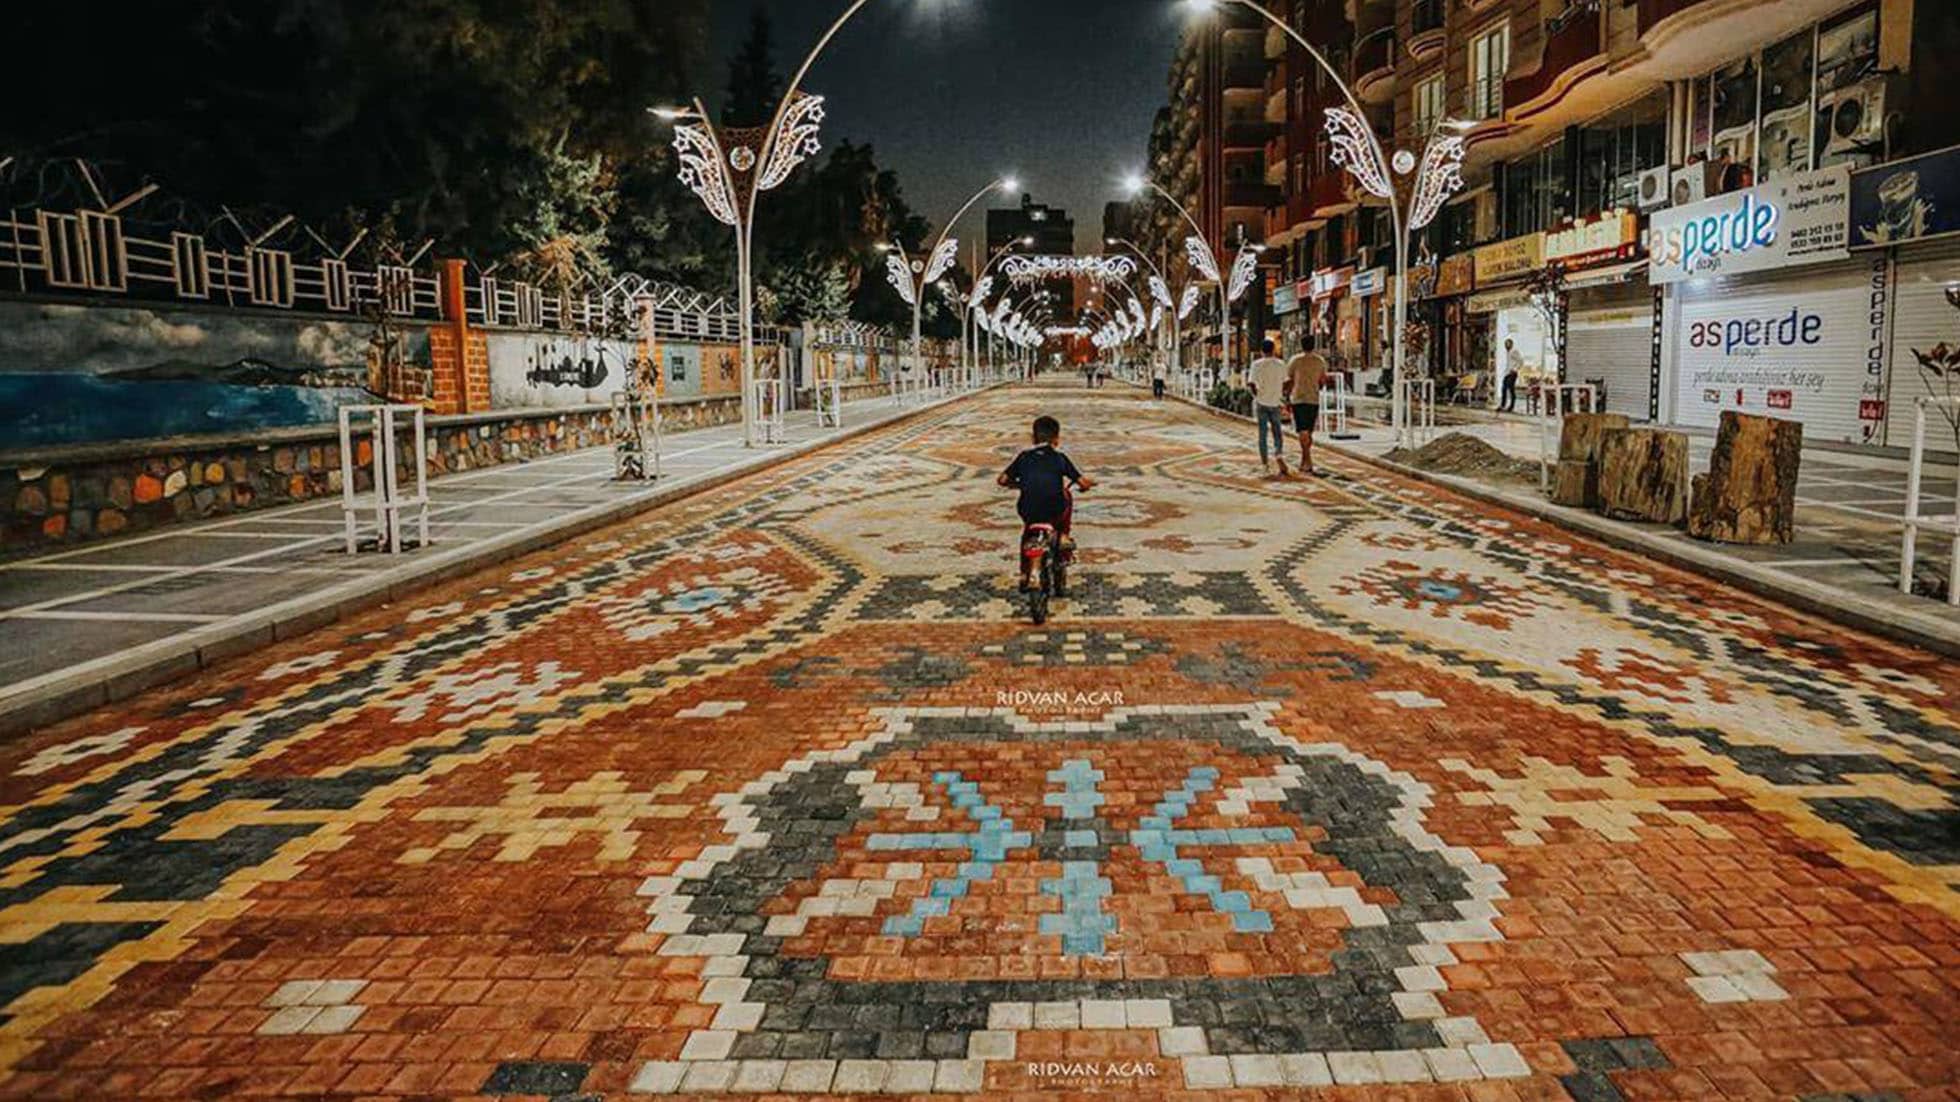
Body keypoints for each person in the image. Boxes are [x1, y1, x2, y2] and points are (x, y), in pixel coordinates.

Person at [998, 415, 1094, 592]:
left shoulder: (1024, 457)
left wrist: (1020, 484)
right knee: (1066, 496)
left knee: (1028, 531)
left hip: (1027, 509)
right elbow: (1081, 482)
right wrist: (1088, 485)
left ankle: (1025, 574)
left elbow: (1002, 479)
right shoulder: (1060, 458)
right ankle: (1062, 538)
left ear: (1033, 438)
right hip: (1054, 509)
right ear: (1056, 439)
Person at [1285, 333, 1330, 477]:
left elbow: (1289, 380)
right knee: (1309, 431)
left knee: (1302, 431)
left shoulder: (1295, 360)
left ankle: (1306, 459)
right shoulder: (1320, 361)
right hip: (1313, 399)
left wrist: (1286, 396)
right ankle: (1306, 459)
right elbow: (1323, 381)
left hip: (1298, 398)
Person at [1247, 339, 1291, 478]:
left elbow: (1251, 384)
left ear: (1262, 351)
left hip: (1262, 402)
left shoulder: (1256, 364)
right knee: (1277, 432)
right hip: (1275, 402)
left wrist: (1257, 395)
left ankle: (1265, 464)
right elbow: (1287, 382)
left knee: (1263, 434)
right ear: (1273, 350)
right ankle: (1278, 453)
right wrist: (1281, 393)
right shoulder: (1280, 364)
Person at [1499, 339, 1523, 413]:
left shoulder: (1514, 351)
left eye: (1508, 344)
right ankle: (1502, 405)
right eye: (1505, 344)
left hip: (1512, 373)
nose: (1506, 345)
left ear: (1511, 344)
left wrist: (1515, 369)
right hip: (1507, 373)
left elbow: (1521, 361)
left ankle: (1511, 406)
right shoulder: (1508, 352)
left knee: (1511, 389)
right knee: (1503, 388)